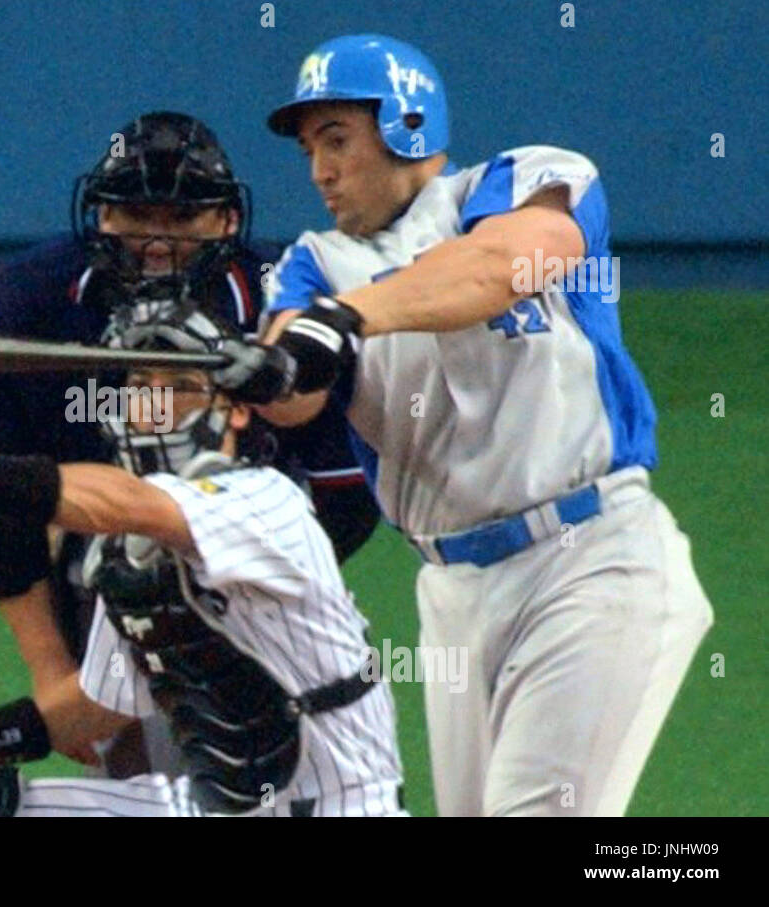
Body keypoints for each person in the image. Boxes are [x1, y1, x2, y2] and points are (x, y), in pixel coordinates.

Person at [215, 33, 713, 816]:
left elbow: (498, 266)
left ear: (408, 121)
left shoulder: (528, 179)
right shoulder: (313, 262)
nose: (320, 170)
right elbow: (293, 393)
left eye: (338, 138)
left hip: (590, 558)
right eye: (311, 148)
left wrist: (342, 320)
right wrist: (257, 369)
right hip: (452, 593)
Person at [0, 111, 379, 775]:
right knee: (139, 762)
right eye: (136, 215)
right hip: (108, 552)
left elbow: (347, 498)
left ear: (226, 222)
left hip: (258, 545)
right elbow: (5, 521)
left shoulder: (285, 308)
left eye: (180, 219)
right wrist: (51, 674)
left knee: (257, 753)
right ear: (101, 216)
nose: (156, 240)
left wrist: (265, 594)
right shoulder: (12, 311)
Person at [0, 312, 405, 817]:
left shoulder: (264, 500)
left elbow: (129, 501)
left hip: (341, 805)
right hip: (210, 806)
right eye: (140, 385)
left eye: (176, 387)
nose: (152, 405)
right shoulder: (128, 547)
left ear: (235, 410)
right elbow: (97, 705)